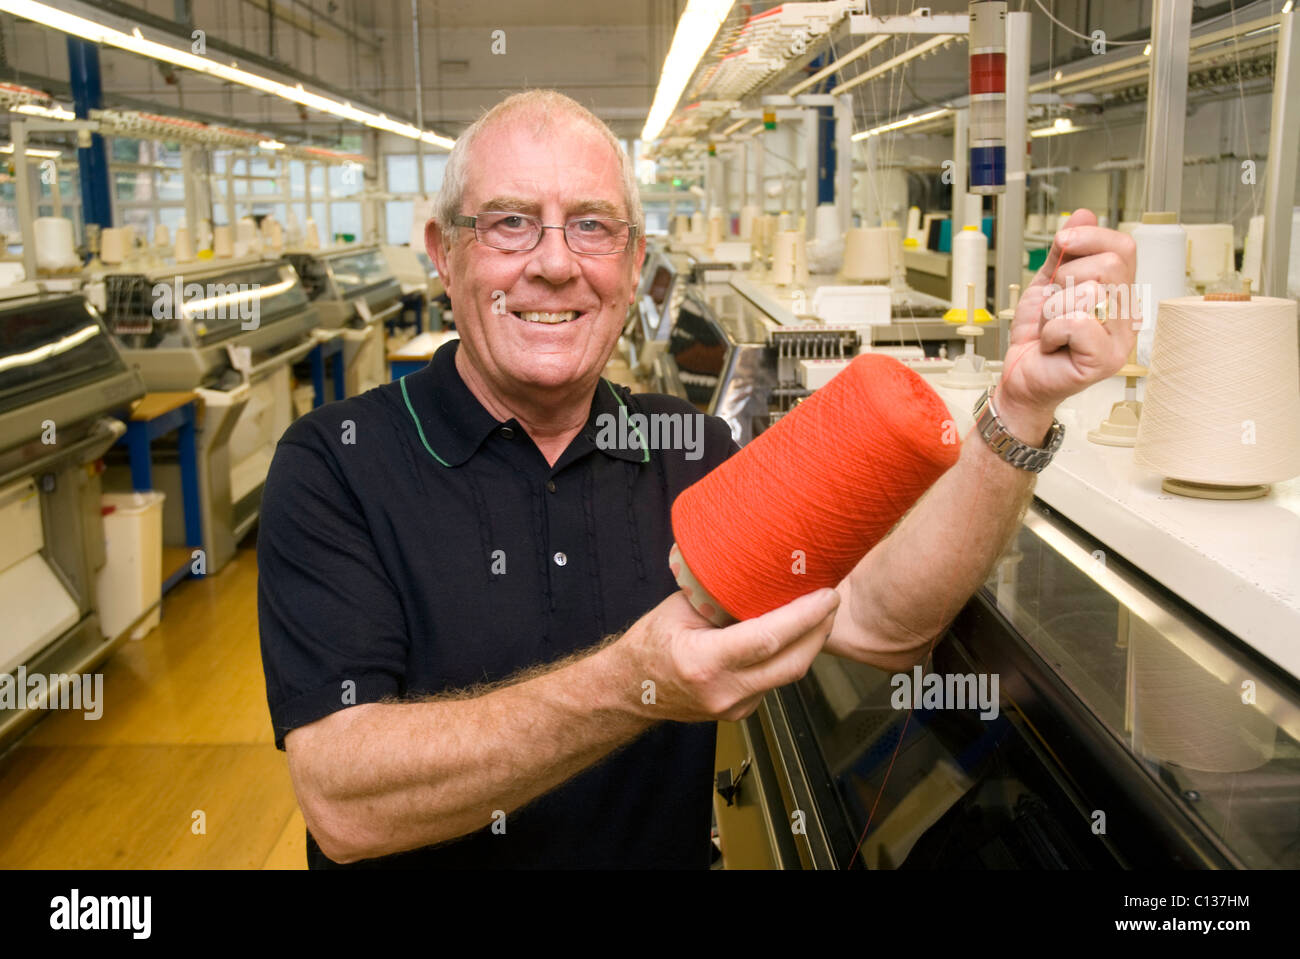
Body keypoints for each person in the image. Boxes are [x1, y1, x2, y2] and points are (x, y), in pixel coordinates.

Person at [258, 89, 1137, 868]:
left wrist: (1021, 402)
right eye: (509, 221)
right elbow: (344, 801)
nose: (557, 263)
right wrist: (631, 680)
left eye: (593, 225)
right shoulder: (337, 462)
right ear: (442, 253)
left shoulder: (687, 446)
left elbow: (882, 617)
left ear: (633, 264)